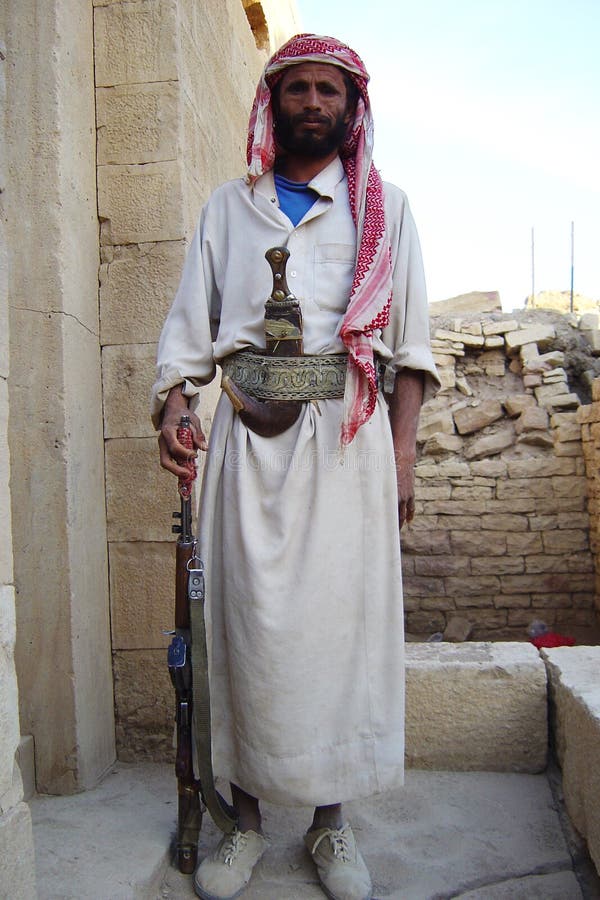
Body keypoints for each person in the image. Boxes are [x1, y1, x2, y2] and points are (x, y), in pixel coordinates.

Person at [151, 33, 439, 900]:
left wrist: (403, 455)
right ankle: (244, 822)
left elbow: (410, 352)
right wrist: (174, 404)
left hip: (347, 446)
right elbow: (188, 331)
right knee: (249, 629)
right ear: (273, 103)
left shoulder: (385, 209)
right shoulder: (228, 208)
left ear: (352, 109)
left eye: (329, 91)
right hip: (246, 441)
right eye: (298, 89)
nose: (313, 103)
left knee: (338, 635)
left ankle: (329, 826)